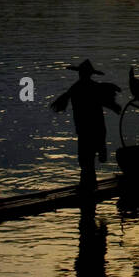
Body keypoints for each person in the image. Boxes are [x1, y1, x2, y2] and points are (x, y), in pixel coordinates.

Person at [52, 60, 121, 190]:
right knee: (90, 162)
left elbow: (62, 102)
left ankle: (87, 191)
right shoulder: (95, 87)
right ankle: (89, 189)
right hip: (95, 130)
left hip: (85, 131)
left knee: (86, 163)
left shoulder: (76, 88)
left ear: (80, 74)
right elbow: (109, 103)